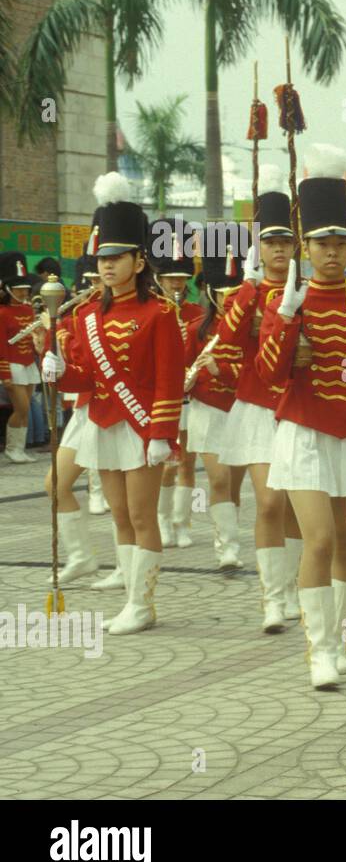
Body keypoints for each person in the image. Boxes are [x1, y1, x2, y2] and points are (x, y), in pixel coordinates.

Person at [43, 172, 185, 635]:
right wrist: (60, 369)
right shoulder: (86, 315)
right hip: (105, 421)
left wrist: (163, 434)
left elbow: (169, 379)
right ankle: (131, 598)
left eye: (116, 257)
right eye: (102, 257)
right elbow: (88, 375)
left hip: (142, 427)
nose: (106, 265)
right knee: (121, 514)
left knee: (143, 514)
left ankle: (143, 604)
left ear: (139, 260)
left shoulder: (160, 312)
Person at [258, 147, 346, 683]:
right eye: (322, 243)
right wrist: (285, 322)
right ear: (304, 247)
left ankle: (342, 635)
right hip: (304, 432)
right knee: (319, 539)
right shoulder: (289, 303)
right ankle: (320, 649)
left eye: (340, 242)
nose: (332, 252)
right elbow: (266, 377)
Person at [214, 168, 303, 617]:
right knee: (269, 501)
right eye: (270, 242)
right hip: (256, 406)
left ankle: (291, 589)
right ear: (259, 248)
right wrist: (249, 289)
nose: (279, 250)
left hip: (302, 408)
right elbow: (227, 342)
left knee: (294, 507)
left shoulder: (309, 291)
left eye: (286, 242)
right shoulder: (243, 293)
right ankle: (272, 599)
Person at [180, 226, 250, 578]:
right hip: (207, 410)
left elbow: (259, 372)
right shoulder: (196, 329)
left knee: (234, 484)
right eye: (221, 292)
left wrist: (223, 369)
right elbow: (181, 373)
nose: (228, 299)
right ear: (210, 291)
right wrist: (189, 379)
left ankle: (228, 536)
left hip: (240, 410)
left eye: (234, 292)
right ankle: (227, 549)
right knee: (219, 479)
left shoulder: (253, 327)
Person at [41, 251, 102, 588]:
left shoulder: (105, 315)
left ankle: (131, 570)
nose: (92, 286)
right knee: (54, 485)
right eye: (88, 281)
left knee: (124, 504)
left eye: (97, 281)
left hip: (116, 411)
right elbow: (67, 371)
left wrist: (60, 336)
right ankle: (81, 556)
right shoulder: (77, 315)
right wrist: (46, 344)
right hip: (85, 410)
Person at [152, 226, 204, 549]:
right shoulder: (154, 311)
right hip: (164, 398)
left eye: (181, 277)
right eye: (170, 276)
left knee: (188, 462)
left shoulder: (197, 312)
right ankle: (162, 521)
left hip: (192, 396)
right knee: (167, 463)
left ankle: (182, 521)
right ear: (158, 277)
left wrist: (196, 372)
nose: (176, 282)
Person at [0, 252, 40, 463]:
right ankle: (11, 448)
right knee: (21, 408)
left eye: (25, 288)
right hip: (12, 365)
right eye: (19, 288)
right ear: (8, 289)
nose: (24, 291)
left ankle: (19, 449)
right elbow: (1, 347)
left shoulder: (28, 309)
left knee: (25, 410)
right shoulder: (2, 312)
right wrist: (5, 374)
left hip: (28, 364)